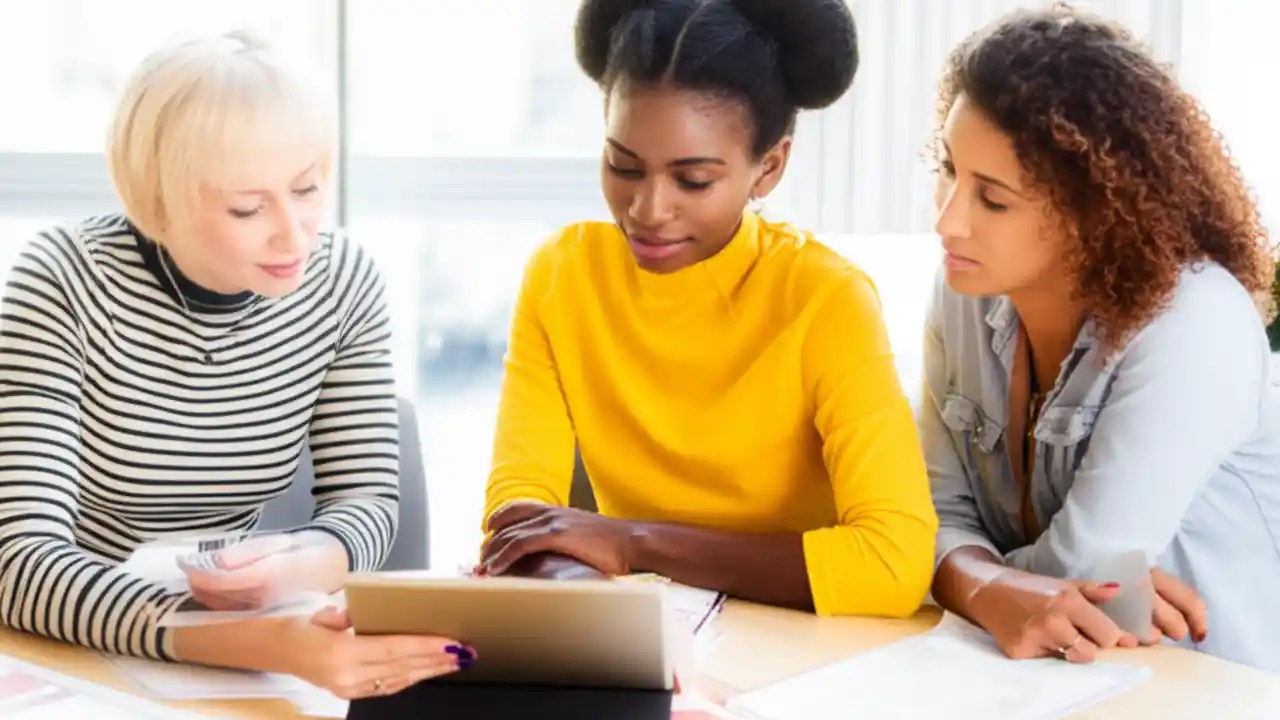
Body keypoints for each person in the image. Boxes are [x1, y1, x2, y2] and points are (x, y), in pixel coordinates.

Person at [0, 31, 471, 698]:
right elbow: (21, 567)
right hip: (68, 649)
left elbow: (367, 503)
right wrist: (254, 643)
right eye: (249, 208)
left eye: (307, 188)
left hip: (242, 648)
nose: (294, 232)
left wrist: (304, 564)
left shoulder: (343, 283)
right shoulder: (64, 281)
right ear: (156, 202)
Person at [479, 0, 938, 618]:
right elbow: (519, 516)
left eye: (692, 180)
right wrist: (592, 615)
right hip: (640, 634)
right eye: (623, 166)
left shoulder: (826, 300)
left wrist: (631, 542)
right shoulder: (563, 276)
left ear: (769, 167)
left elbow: (893, 563)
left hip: (802, 647)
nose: (648, 208)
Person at [923, 6, 1280, 672]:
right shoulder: (965, 289)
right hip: (1023, 675)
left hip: (1206, 685)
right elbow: (926, 513)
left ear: (1096, 210)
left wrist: (967, 575)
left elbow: (1084, 566)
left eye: (993, 199)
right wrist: (993, 588)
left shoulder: (1195, 322)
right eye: (948, 170)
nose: (948, 222)